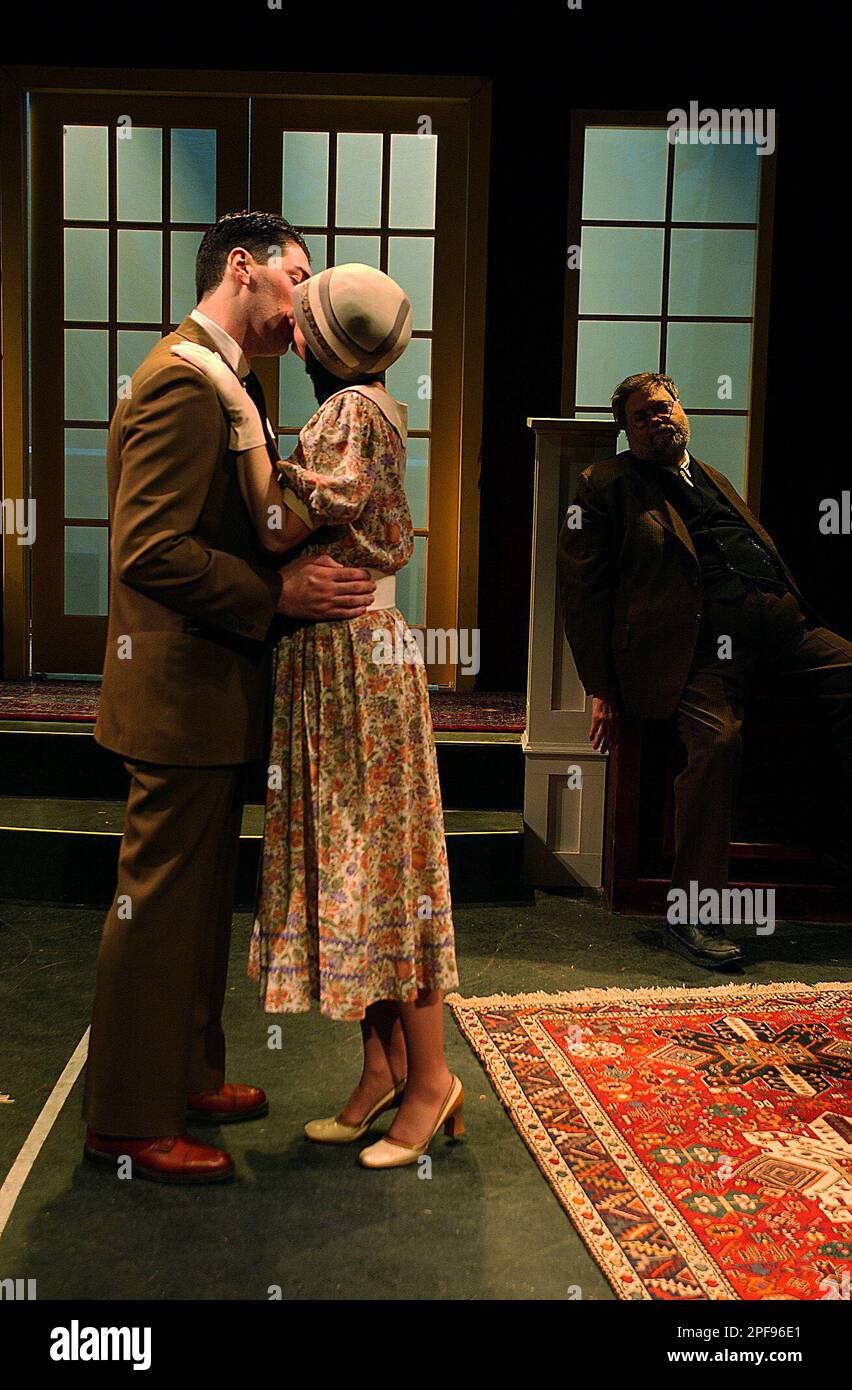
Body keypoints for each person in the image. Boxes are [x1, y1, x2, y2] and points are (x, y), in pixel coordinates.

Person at [82, 213, 379, 1184]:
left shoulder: (235, 382)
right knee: (157, 908)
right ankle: (126, 1118)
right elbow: (149, 549)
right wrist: (277, 595)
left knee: (201, 908)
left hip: (216, 691)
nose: (302, 308)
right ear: (241, 270)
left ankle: (189, 1073)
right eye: (295, 279)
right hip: (177, 694)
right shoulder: (179, 378)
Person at [173, 263, 464, 1169]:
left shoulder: (348, 414)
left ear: (317, 341)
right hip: (340, 664)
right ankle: (380, 1073)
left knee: (378, 870)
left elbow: (284, 519)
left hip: (354, 669)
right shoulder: (366, 407)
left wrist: (236, 413)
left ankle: (429, 1083)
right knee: (357, 871)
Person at [558, 372, 852, 970]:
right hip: (697, 650)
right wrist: (600, 687)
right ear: (625, 431)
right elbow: (582, 591)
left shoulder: (712, 476)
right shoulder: (606, 485)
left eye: (663, 407)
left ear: (682, 409)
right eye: (641, 416)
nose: (656, 419)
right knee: (716, 744)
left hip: (786, 630)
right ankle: (691, 912)